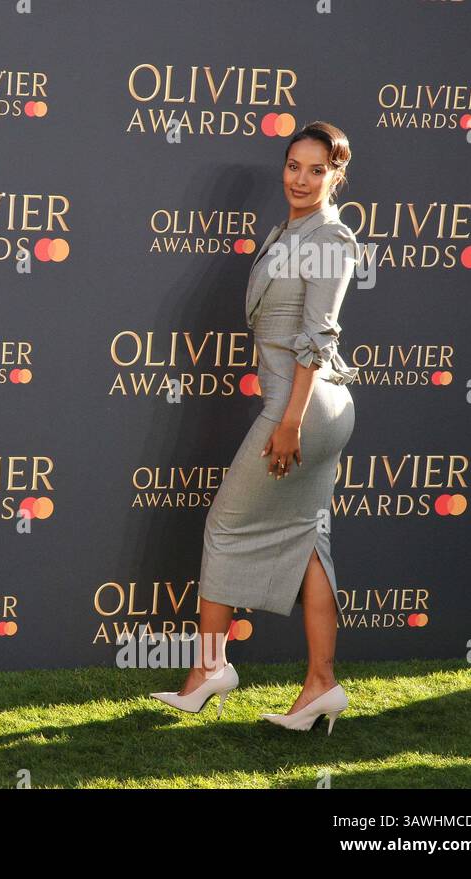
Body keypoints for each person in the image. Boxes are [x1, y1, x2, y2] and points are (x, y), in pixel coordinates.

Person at [151, 121, 361, 735]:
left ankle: (210, 670)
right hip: (308, 405)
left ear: (337, 175)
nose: (301, 179)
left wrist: (289, 422)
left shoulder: (331, 238)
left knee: (225, 526)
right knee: (308, 540)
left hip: (303, 407)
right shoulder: (289, 230)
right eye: (294, 166)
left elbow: (318, 336)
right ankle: (321, 684)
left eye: (317, 170)